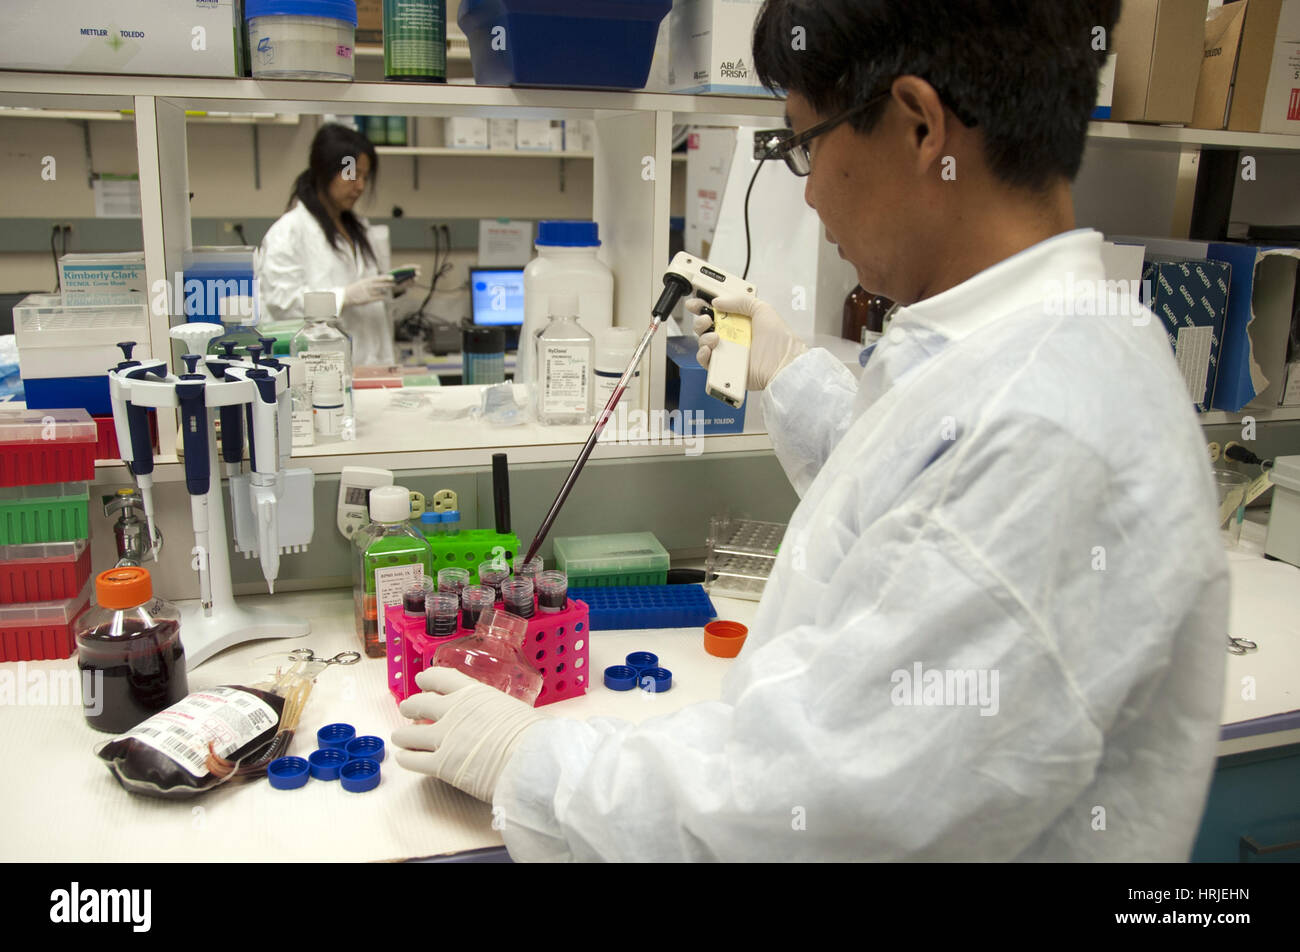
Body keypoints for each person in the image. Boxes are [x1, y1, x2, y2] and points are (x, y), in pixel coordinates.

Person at [393, 0, 1229, 862]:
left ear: (917, 126)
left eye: (804, 141)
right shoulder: (1027, 345)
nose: (808, 187)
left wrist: (530, 762)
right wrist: (790, 373)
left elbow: (823, 802)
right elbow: (913, 506)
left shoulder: (1045, 424)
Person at [257, 123, 399, 366]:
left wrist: (391, 286)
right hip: (324, 369)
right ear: (325, 169)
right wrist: (344, 296)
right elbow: (283, 303)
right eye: (352, 174)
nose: (360, 186)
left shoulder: (360, 230)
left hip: (375, 364)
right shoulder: (288, 232)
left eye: (365, 176)